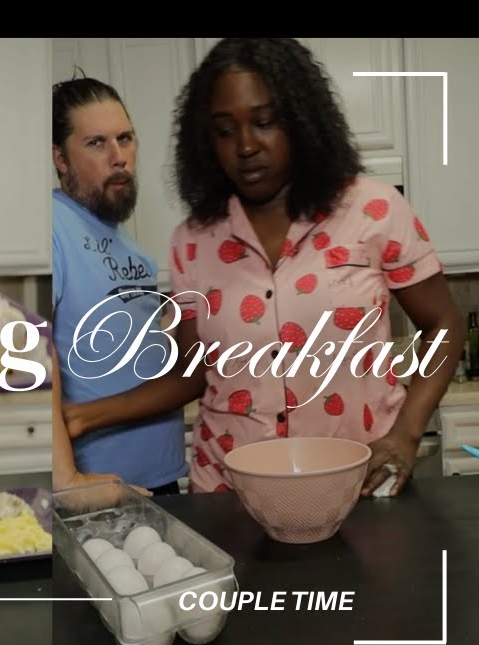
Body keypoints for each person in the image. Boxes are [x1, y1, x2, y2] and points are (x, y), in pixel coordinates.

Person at [63, 38, 464, 497]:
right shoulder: (193, 242)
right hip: (231, 495)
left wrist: (407, 433)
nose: (247, 145)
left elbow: (444, 323)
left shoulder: (373, 209)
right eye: (225, 130)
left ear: (301, 121)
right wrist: (81, 416)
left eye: (265, 122)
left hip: (358, 483)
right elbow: (193, 371)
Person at [51, 76, 187, 494]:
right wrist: (67, 480)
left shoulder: (133, 249)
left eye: (125, 139)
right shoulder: (53, 227)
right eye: (96, 143)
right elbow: (36, 353)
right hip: (101, 487)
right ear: (61, 159)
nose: (119, 157)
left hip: (163, 478)